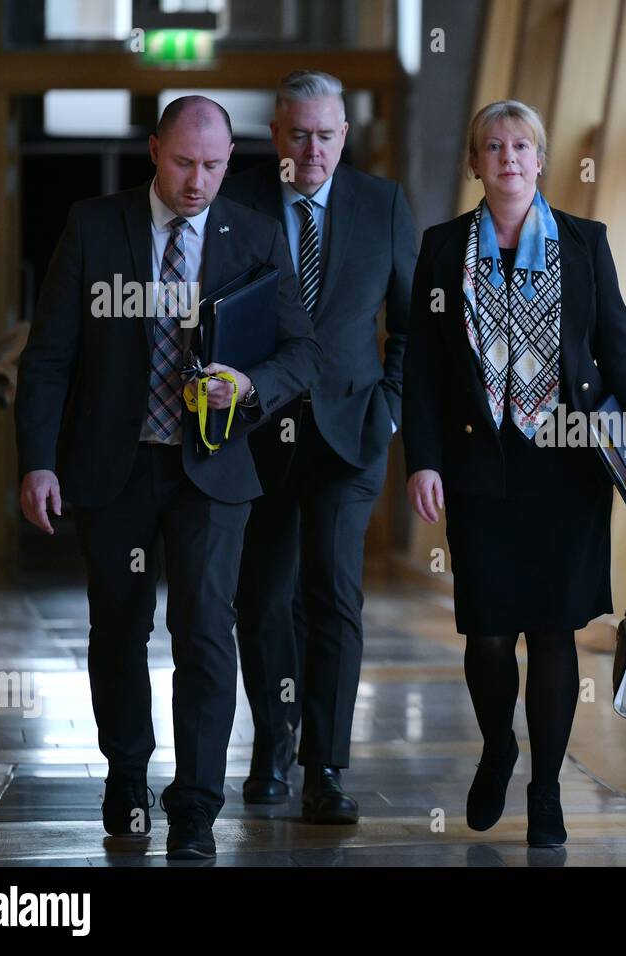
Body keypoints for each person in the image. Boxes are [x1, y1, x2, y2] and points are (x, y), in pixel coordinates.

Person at [15, 95, 322, 860]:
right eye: (184, 162)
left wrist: (248, 386)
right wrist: (38, 461)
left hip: (211, 470)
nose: (198, 181)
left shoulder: (252, 234)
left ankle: (195, 807)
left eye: (214, 165)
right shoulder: (94, 225)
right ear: (154, 150)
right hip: (112, 466)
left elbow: (303, 353)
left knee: (206, 633)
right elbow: (49, 354)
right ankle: (125, 772)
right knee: (118, 627)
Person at [402, 100, 626, 847]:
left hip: (567, 467)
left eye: (521, 146)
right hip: (479, 466)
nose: (509, 158)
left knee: (554, 631)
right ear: (475, 164)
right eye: (493, 147)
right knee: (490, 632)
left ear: (541, 158)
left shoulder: (585, 245)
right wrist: (421, 459)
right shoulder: (441, 249)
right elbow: (422, 368)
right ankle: (500, 746)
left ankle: (548, 788)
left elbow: (619, 351)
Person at [221, 70, 416, 823]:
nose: (312, 149)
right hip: (258, 432)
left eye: (326, 135)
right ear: (275, 136)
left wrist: (392, 409)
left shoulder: (382, 205)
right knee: (263, 597)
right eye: (297, 133)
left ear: (344, 135)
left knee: (334, 594)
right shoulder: (238, 202)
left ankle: (325, 767)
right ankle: (275, 741)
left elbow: (411, 323)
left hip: (350, 432)